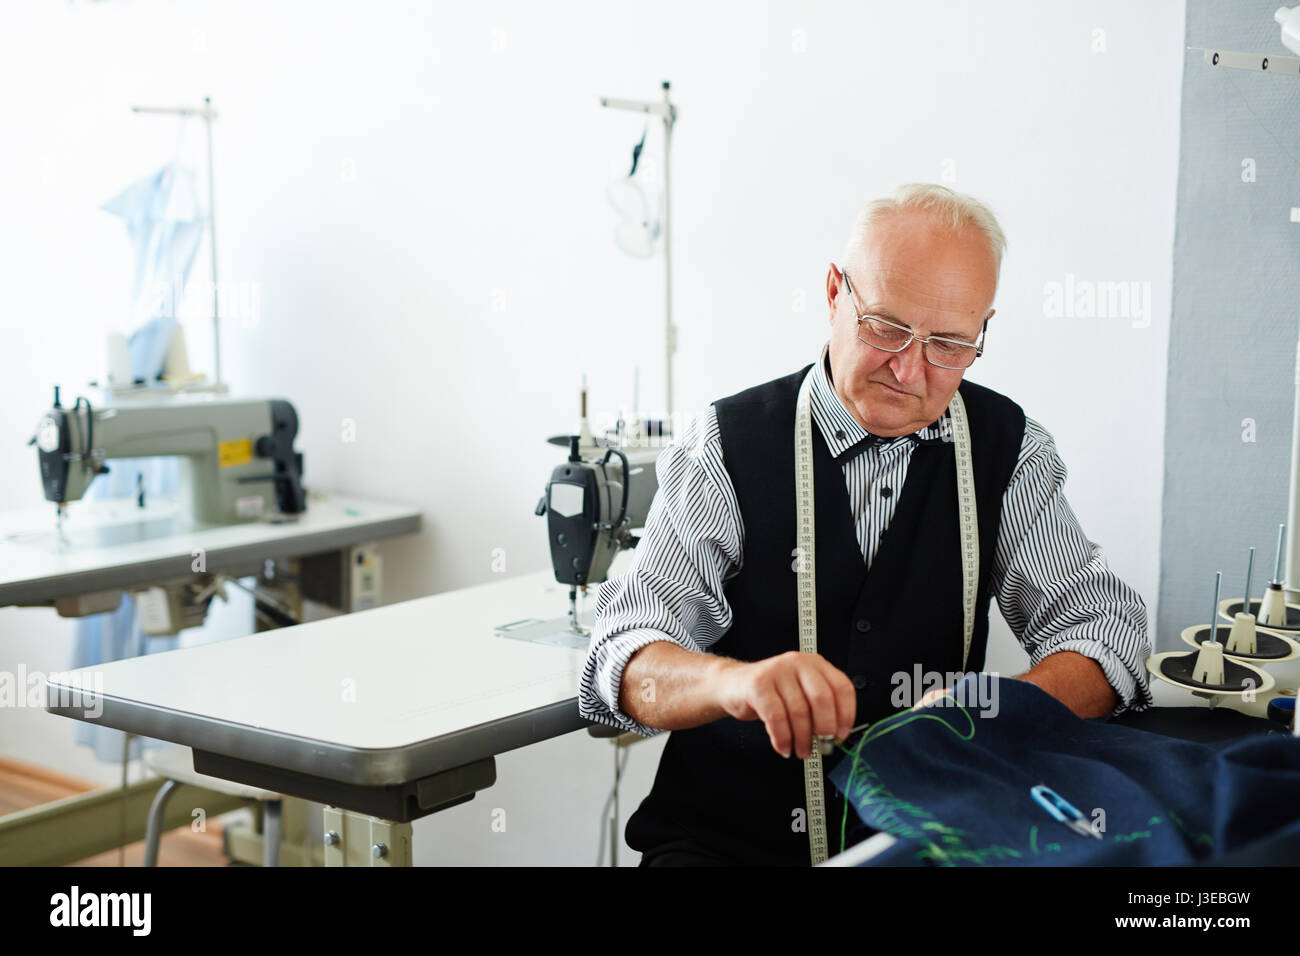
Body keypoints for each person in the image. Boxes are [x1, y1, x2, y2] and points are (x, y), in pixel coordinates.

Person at [578, 183, 1152, 867]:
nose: (909, 369)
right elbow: (619, 661)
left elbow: (1106, 630)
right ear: (832, 292)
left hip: (924, 838)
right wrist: (734, 684)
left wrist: (997, 711)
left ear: (983, 331)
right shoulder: (725, 445)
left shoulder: (1009, 449)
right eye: (885, 327)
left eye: (948, 344)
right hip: (722, 843)